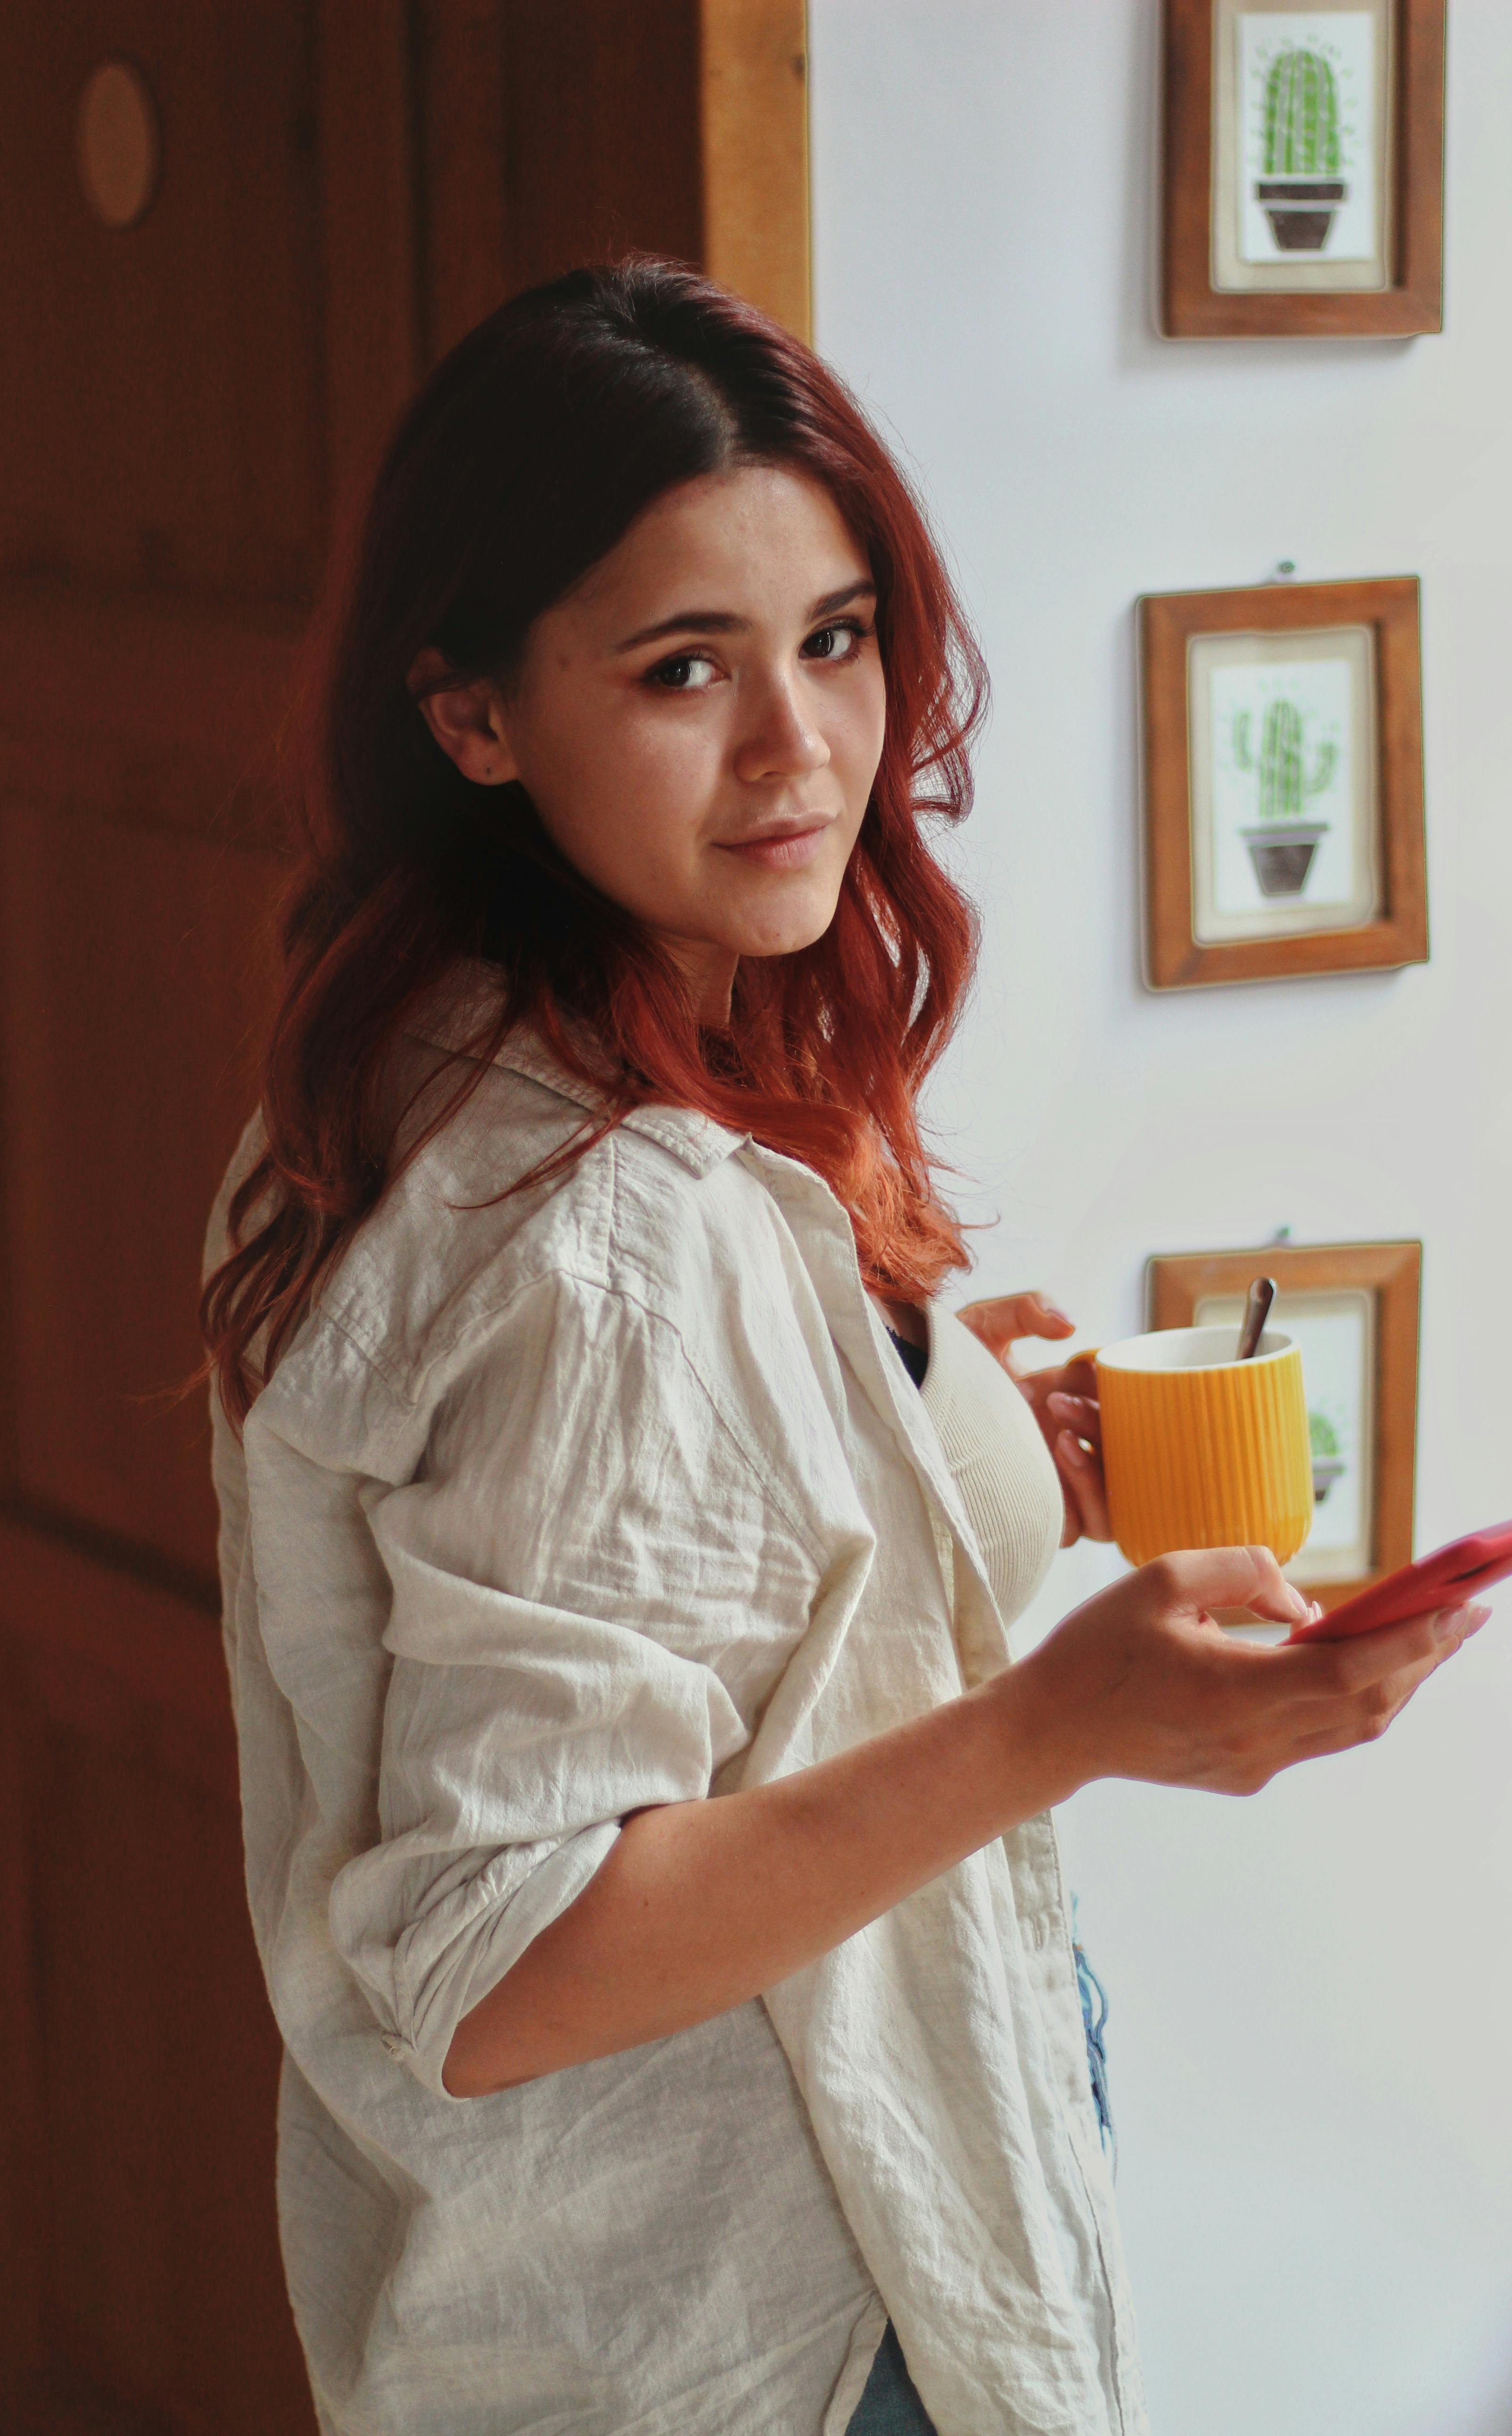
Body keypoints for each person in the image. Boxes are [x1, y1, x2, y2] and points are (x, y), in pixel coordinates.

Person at [201, 259, 1481, 2436]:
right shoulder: (608, 1228)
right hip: (775, 2330)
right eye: (686, 667)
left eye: (837, 636)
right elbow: (506, 1958)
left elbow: (667, 1571)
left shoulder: (437, 1057)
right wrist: (1063, 1720)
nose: (804, 746)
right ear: (476, 712)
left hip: (640, 2300)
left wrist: (944, 1432)